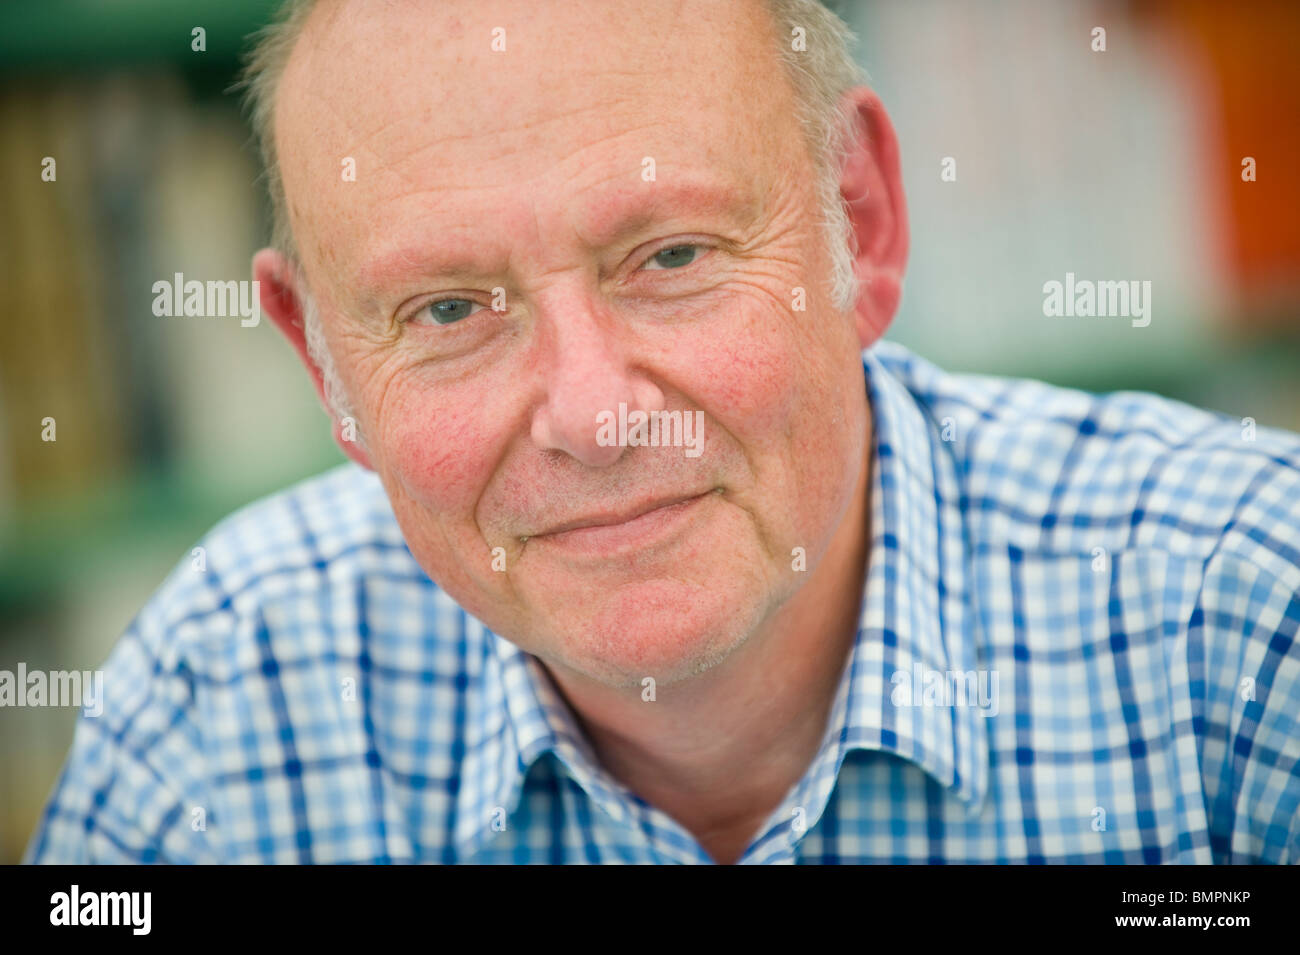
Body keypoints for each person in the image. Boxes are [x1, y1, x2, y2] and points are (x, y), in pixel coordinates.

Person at [27, 0, 1300, 864]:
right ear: (325, 364)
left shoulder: (1241, 622)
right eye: (450, 308)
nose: (591, 415)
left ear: (857, 224)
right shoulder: (215, 702)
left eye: (671, 254)